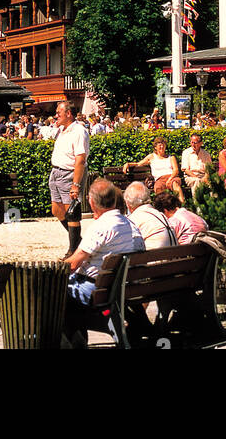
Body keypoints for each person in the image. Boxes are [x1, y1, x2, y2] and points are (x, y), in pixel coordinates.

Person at [62, 178, 144, 346]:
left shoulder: (101, 226)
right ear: (115, 200)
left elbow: (72, 264)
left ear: (91, 202)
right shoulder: (128, 224)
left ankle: (71, 341)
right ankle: (76, 340)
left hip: (94, 290)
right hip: (114, 287)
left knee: (52, 295)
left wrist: (54, 269)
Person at [50, 100, 89, 255]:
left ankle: (73, 250)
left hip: (69, 173)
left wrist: (76, 185)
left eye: (58, 113)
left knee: (71, 212)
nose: (55, 116)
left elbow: (80, 159)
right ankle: (79, 242)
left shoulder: (79, 131)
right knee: (57, 211)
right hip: (56, 173)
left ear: (68, 113)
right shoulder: (62, 130)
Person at [124, 181, 176, 249]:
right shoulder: (159, 214)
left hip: (155, 258)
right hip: (174, 257)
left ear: (128, 205)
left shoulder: (134, 219)